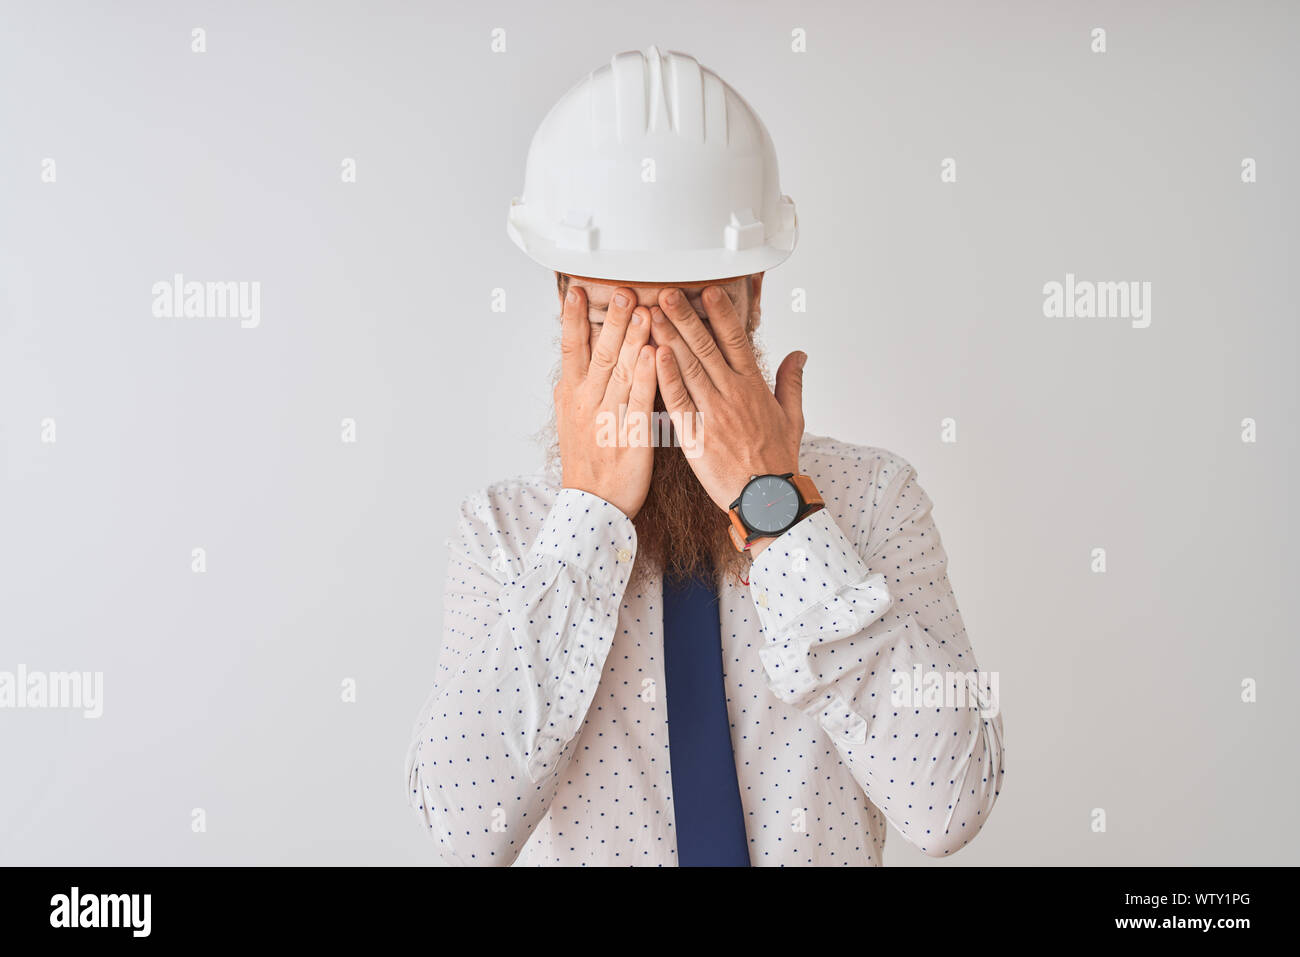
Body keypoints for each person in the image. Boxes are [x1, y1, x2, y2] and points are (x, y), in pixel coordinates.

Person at [404, 45, 1004, 866]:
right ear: (564, 300)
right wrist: (588, 517)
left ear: (753, 294)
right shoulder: (506, 536)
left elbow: (949, 804)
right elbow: (462, 828)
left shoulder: (871, 501)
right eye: (616, 318)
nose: (655, 361)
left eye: (691, 313)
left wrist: (778, 510)